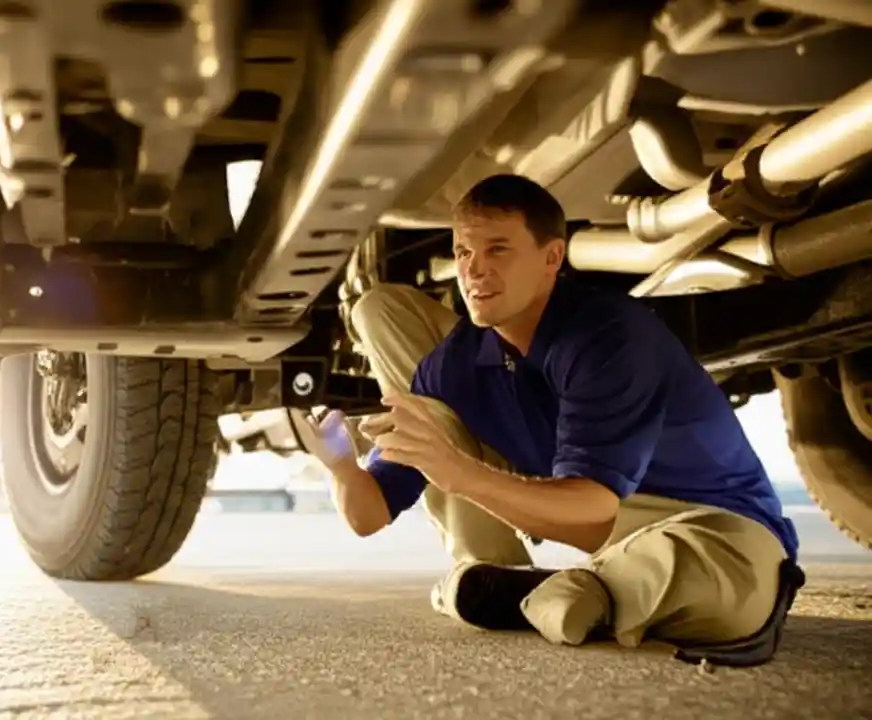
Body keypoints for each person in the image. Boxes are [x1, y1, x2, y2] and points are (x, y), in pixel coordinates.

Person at [297, 174, 801, 660]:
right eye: (464, 252)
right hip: (605, 528)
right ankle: (568, 593)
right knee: (644, 582)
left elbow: (589, 518)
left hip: (704, 520)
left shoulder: (606, 336)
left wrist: (460, 473)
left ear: (551, 257)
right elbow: (369, 516)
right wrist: (341, 466)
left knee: (738, 586)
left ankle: (563, 593)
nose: (473, 270)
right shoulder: (453, 364)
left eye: (497, 249)